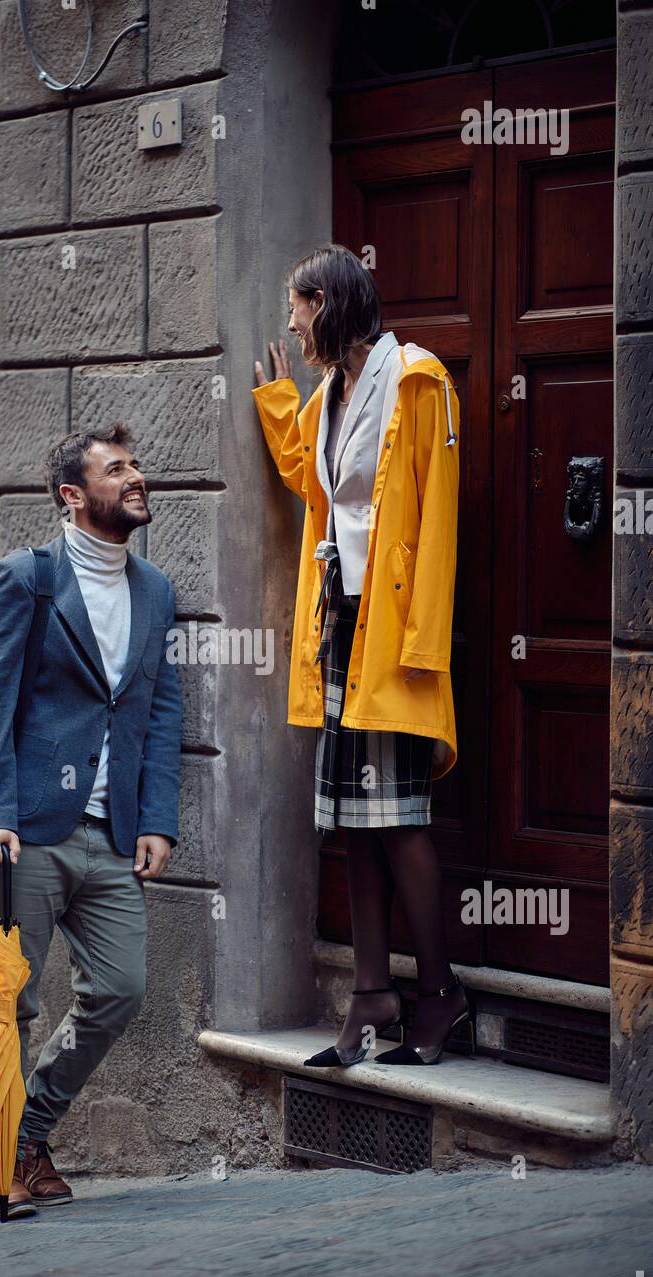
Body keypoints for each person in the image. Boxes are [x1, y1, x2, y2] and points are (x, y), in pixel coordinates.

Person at [253, 244, 474, 1067]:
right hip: (339, 629)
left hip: (392, 636)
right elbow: (309, 480)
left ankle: (442, 992)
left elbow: (438, 511)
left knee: (402, 822)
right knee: (356, 821)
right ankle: (374, 994)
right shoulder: (332, 395)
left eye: (297, 306)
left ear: (330, 302)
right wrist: (280, 401)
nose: (290, 321)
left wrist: (421, 646)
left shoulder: (418, 380)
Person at [0, 423, 182, 1219]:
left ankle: (32, 1129)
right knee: (9, 998)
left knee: (120, 990)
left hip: (112, 835)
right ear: (71, 494)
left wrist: (157, 816)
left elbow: (159, 708)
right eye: (116, 469)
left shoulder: (154, 591)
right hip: (28, 831)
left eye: (136, 465)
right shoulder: (26, 580)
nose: (136, 477)